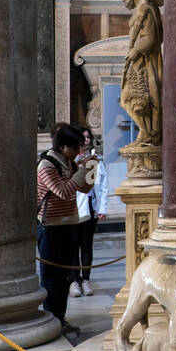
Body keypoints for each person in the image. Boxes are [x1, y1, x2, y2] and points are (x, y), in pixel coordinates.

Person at [36, 125, 98, 333]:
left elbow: (84, 188)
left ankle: (60, 319)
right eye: (76, 147)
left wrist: (91, 170)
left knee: (66, 277)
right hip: (51, 228)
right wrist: (82, 169)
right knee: (51, 277)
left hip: (70, 224)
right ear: (63, 147)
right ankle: (51, 319)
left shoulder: (70, 163)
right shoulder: (46, 165)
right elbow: (63, 191)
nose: (80, 152)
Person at [69, 126, 108, 299]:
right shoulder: (70, 161)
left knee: (86, 246)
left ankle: (86, 279)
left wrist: (102, 208)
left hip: (90, 207)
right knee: (72, 247)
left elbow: (103, 185)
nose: (86, 141)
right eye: (83, 138)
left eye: (88, 138)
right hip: (73, 208)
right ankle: (74, 281)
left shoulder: (95, 160)